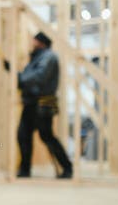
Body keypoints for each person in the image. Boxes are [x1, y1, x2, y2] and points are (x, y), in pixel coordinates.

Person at [10, 32, 72, 179]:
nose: (32, 43)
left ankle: (67, 168)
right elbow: (28, 77)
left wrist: (19, 77)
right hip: (31, 103)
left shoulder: (49, 57)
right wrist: (15, 74)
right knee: (23, 135)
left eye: (34, 41)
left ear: (41, 42)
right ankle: (24, 170)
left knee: (47, 136)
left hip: (43, 102)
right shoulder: (37, 57)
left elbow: (39, 76)